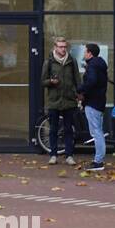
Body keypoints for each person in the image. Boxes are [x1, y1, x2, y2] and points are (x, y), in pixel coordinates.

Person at [41, 36, 81, 165]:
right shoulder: (49, 62)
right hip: (54, 100)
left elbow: (77, 79)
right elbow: (43, 81)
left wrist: (79, 93)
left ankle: (69, 155)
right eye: (60, 47)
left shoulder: (71, 61)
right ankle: (53, 155)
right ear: (55, 47)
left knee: (69, 129)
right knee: (53, 129)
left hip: (69, 100)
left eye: (65, 47)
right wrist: (51, 82)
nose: (63, 49)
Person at [78, 43, 108, 172]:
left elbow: (91, 81)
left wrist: (80, 90)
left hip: (92, 102)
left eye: (85, 52)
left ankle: (98, 161)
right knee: (98, 131)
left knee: (96, 132)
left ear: (90, 53)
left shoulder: (92, 66)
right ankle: (98, 159)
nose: (84, 54)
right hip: (99, 101)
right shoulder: (100, 64)